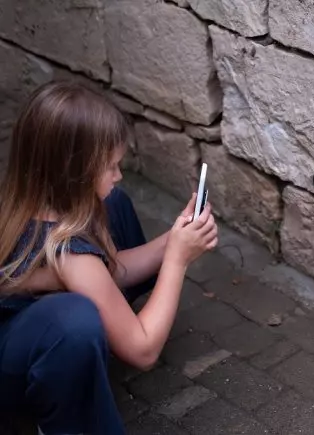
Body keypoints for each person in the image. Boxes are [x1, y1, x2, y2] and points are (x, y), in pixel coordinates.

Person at [0, 81, 218, 434]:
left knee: (115, 202)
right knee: (78, 321)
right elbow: (144, 352)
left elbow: (110, 273)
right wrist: (177, 260)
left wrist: (174, 238)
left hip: (27, 322)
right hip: (19, 364)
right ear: (73, 171)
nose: (119, 174)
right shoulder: (71, 255)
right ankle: (57, 406)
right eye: (110, 166)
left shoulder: (43, 199)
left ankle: (103, 337)